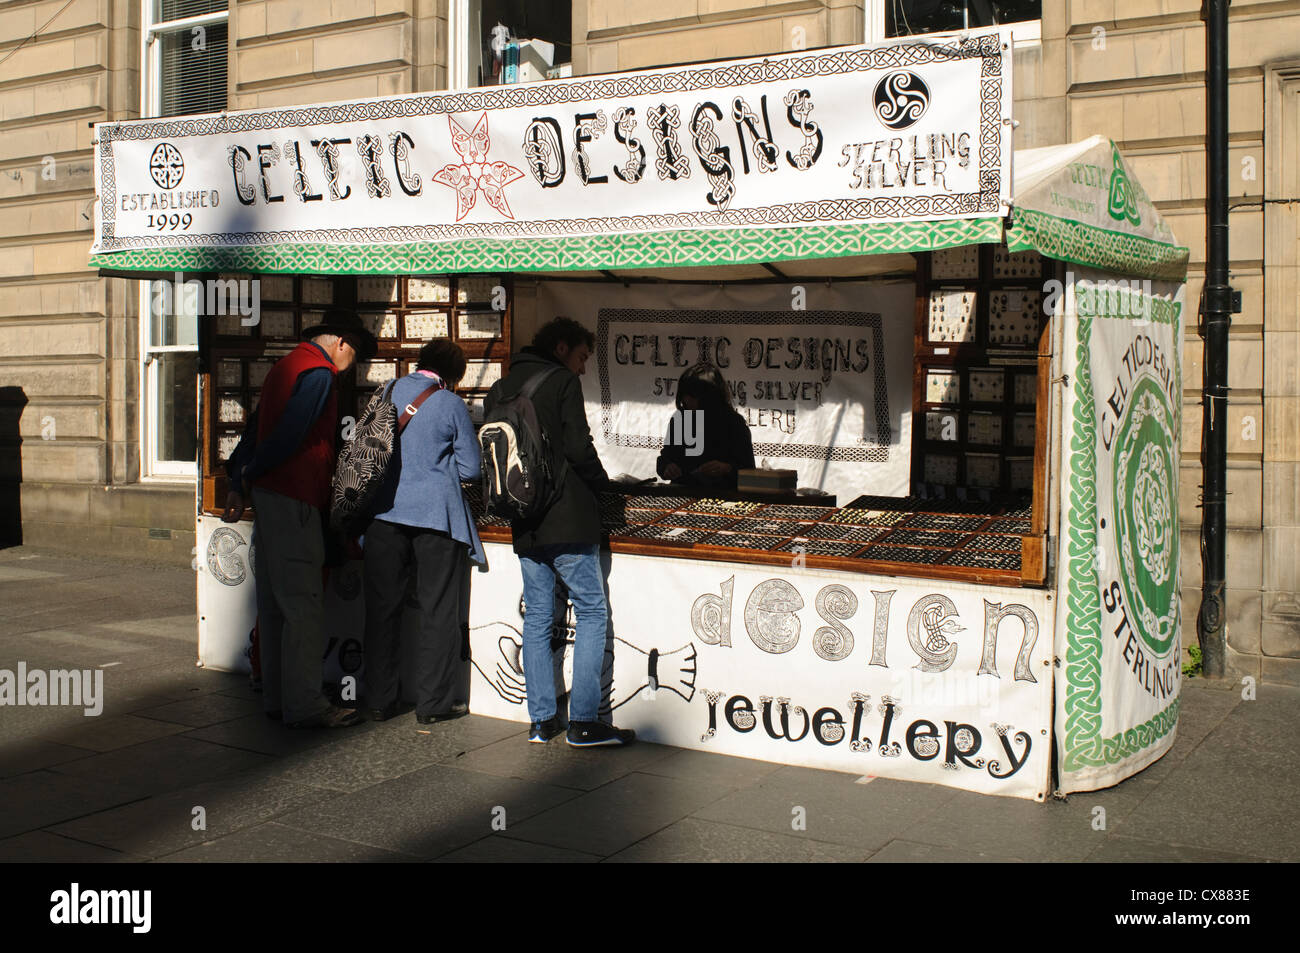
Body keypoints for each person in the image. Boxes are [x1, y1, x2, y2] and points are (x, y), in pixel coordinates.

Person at [222, 309, 377, 729]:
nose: (354, 365)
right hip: (295, 497)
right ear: (342, 343)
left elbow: (254, 432)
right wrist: (255, 471)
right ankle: (306, 704)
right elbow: (290, 435)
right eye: (357, 354)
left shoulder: (284, 368)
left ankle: (278, 697)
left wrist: (240, 478)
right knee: (303, 607)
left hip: (271, 499)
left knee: (274, 605)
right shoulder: (320, 374)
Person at [484, 317, 634, 747]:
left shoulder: (501, 386)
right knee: (590, 610)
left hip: (523, 517)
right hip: (567, 517)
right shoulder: (563, 383)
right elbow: (578, 448)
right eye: (583, 357)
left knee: (538, 618)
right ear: (563, 347)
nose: (584, 368)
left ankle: (542, 721)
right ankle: (585, 722)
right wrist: (605, 485)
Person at [362, 340, 485, 725]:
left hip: (383, 515)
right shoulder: (450, 404)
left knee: (382, 610)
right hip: (435, 517)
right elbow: (471, 470)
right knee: (437, 610)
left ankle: (380, 700)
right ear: (454, 374)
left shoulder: (386, 390)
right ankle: (432, 705)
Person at [656, 363, 755, 491]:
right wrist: (667, 467)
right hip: (682, 494)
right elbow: (666, 457)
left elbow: (749, 471)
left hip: (722, 496)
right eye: (685, 395)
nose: (686, 400)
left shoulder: (733, 423)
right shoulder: (681, 419)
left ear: (709, 396)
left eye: (692, 396)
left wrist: (727, 468)